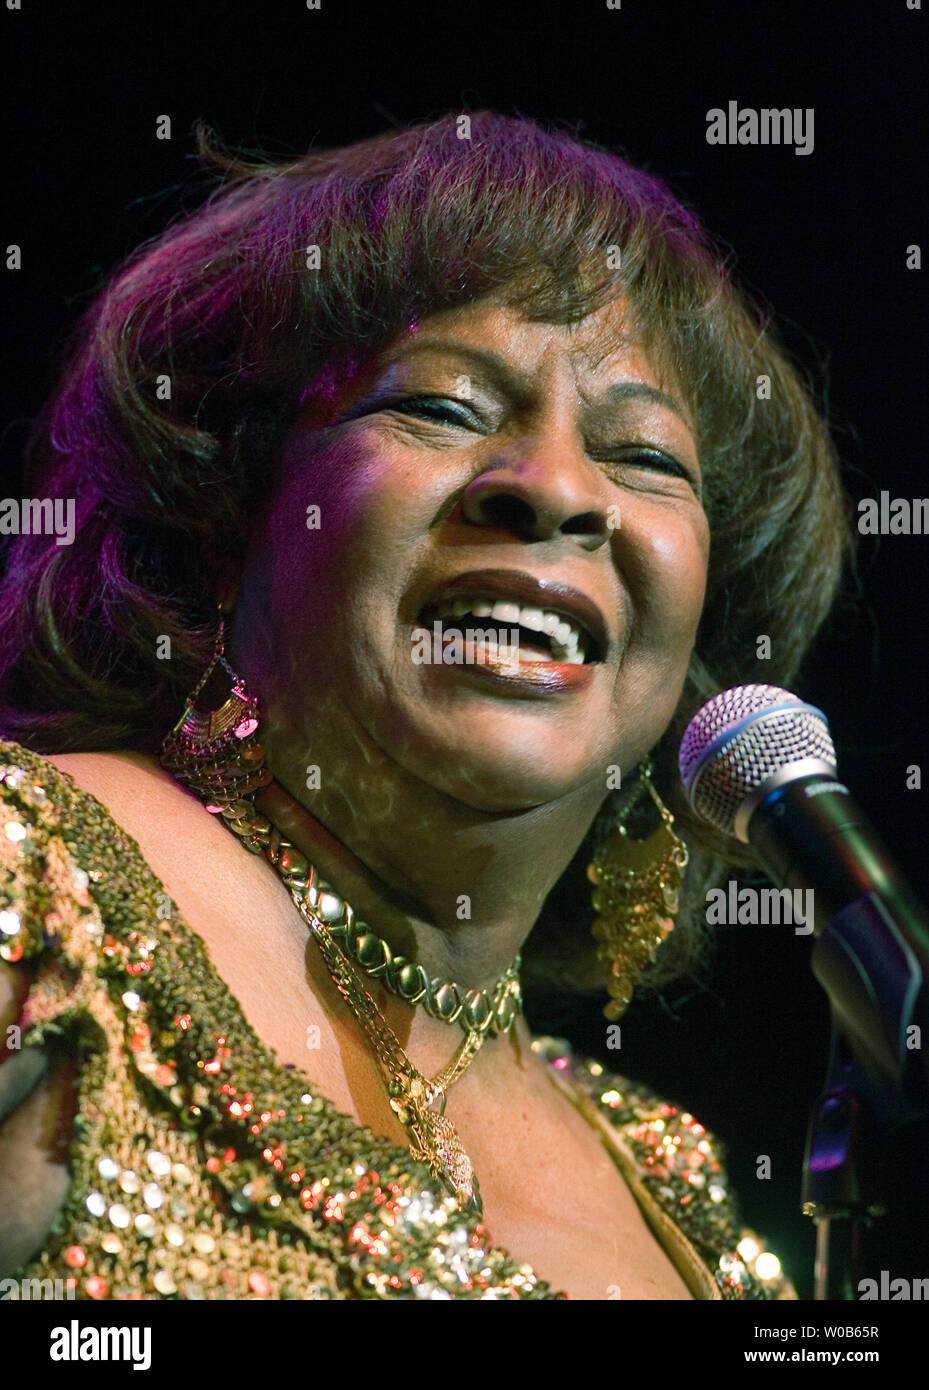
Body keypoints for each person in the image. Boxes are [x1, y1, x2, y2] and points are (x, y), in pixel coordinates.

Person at [0, 111, 850, 1301]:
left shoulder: (680, 1202)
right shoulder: (33, 878)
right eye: (444, 407)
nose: (554, 489)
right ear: (223, 517)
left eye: (645, 458)